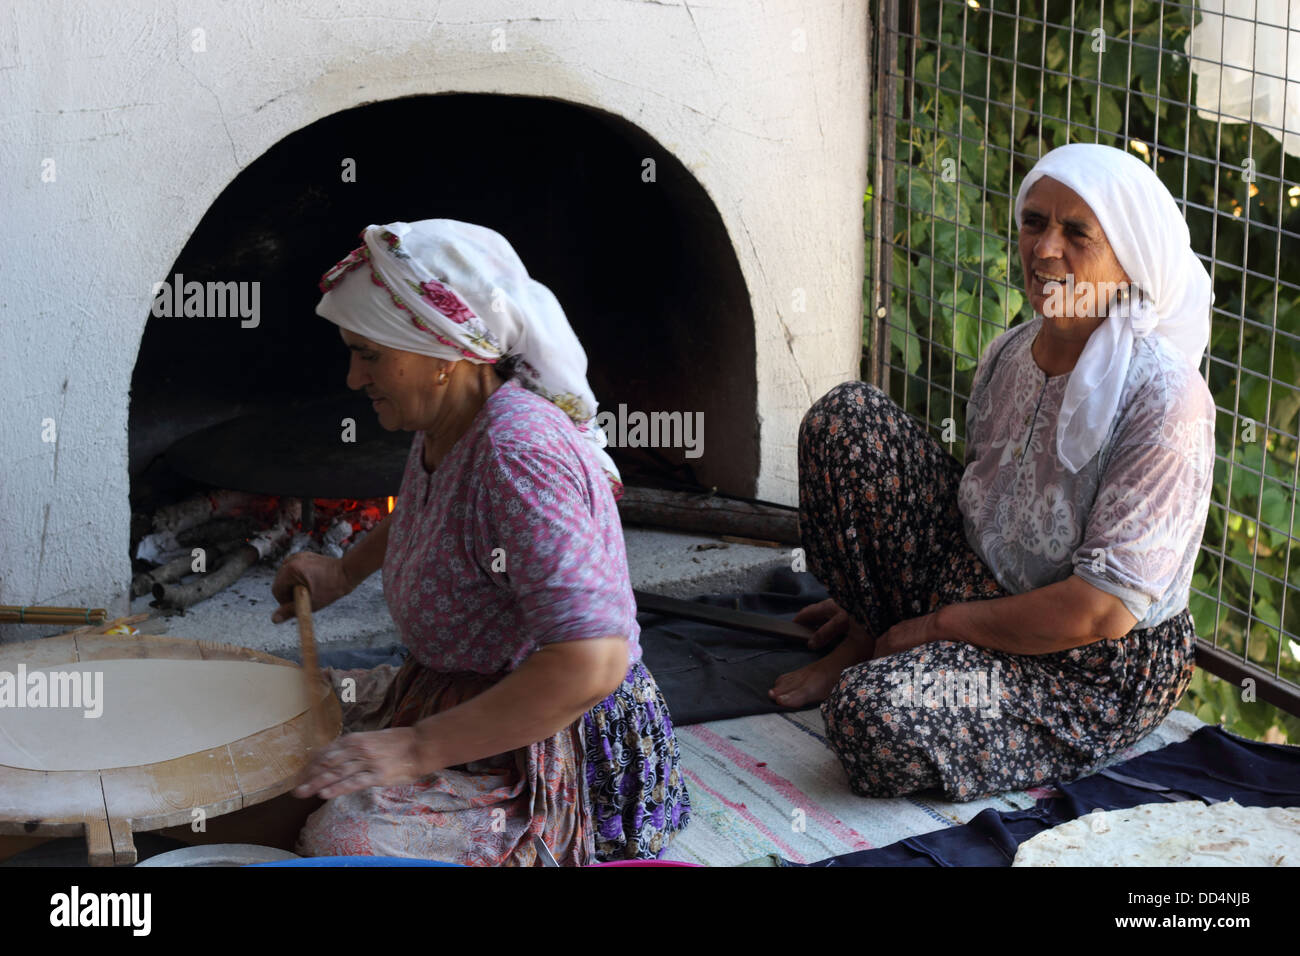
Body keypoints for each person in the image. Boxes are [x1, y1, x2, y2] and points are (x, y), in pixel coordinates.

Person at [769, 143, 1216, 801]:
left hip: (1083, 663)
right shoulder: (1009, 351)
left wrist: (937, 625)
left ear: (1131, 262)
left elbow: (1102, 611)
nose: (1044, 250)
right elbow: (975, 500)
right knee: (846, 418)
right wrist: (869, 595)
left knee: (872, 716)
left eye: (1076, 233)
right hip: (977, 584)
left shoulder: (1164, 397)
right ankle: (869, 635)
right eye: (1034, 222)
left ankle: (922, 660)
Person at [271, 219, 690, 863]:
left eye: (370, 353)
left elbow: (591, 662)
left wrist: (414, 750)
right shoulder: (450, 418)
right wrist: (342, 572)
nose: (355, 378)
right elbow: (429, 509)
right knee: (283, 726)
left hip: (550, 740)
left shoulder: (518, 452)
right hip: (454, 693)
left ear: (440, 357)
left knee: (342, 837)